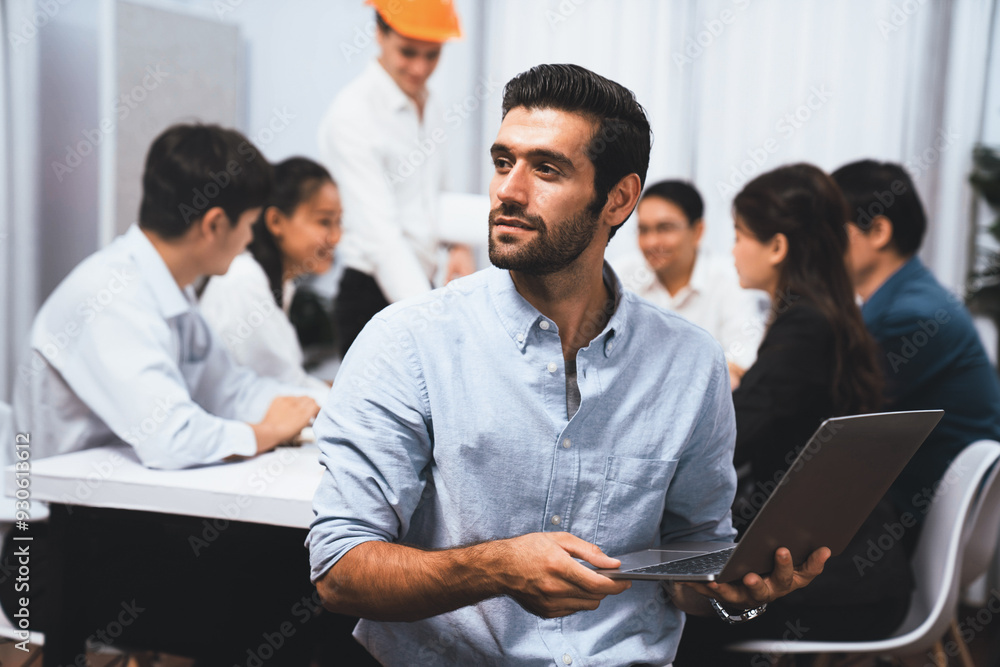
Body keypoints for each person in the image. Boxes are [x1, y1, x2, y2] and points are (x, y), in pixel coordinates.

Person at [307, 64, 829, 667]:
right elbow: (339, 571)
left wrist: (735, 595)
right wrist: (496, 568)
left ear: (618, 199)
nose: (509, 190)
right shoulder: (408, 341)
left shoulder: (690, 363)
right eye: (504, 162)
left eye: (547, 169)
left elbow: (692, 565)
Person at [8, 124, 333, 666]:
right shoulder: (109, 295)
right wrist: (262, 432)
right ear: (214, 223)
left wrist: (317, 409)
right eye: (251, 225)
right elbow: (171, 436)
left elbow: (230, 388)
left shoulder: (169, 291)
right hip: (48, 552)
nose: (252, 240)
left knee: (301, 568)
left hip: (121, 526)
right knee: (291, 588)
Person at [676, 164, 910, 666]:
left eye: (739, 234)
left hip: (835, 583)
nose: (733, 249)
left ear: (777, 247)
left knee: (677, 619)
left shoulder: (804, 329)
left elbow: (727, 441)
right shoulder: (830, 314)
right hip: (858, 569)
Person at [832, 159, 1000, 542]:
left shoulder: (907, 317)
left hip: (912, 521)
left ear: (877, 231)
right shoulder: (909, 299)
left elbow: (832, 416)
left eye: (830, 230)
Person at [318, 0, 476, 356]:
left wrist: (459, 246)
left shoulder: (430, 103)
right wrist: (435, 320)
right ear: (379, 33)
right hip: (372, 293)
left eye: (432, 55)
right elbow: (381, 237)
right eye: (407, 52)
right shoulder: (353, 115)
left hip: (420, 286)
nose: (420, 68)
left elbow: (439, 193)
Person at [200, 157, 341, 392]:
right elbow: (281, 390)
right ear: (276, 221)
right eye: (324, 222)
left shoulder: (278, 285)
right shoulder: (243, 280)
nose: (336, 237)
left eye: (339, 222)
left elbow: (290, 383)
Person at [618, 179, 767, 387]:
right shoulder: (621, 277)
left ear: (697, 231)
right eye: (643, 230)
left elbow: (743, 363)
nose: (651, 242)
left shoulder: (731, 280)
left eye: (665, 228)